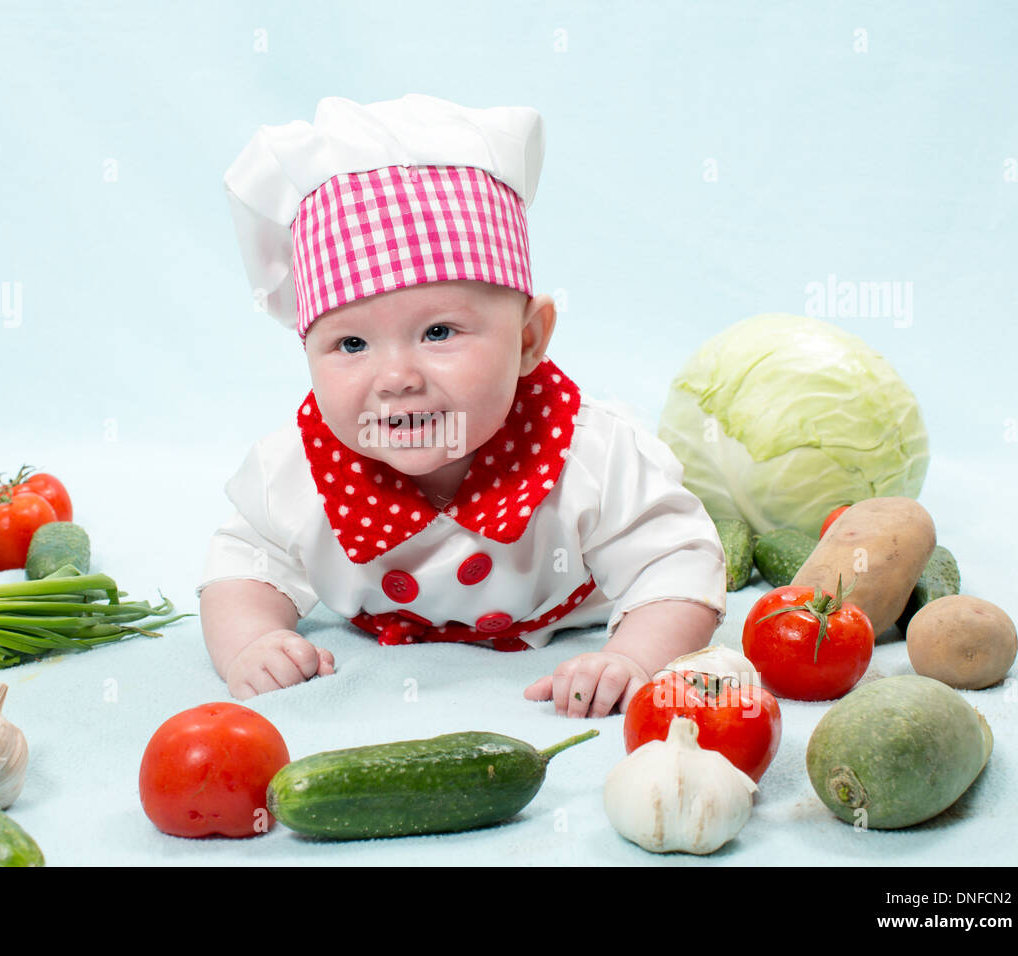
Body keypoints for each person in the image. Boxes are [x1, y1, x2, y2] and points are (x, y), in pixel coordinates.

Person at [198, 94, 726, 718]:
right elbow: (242, 564)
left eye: (440, 333)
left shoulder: (590, 456)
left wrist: (636, 658)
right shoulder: (294, 472)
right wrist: (252, 641)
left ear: (528, 339)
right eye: (351, 343)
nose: (396, 377)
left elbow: (678, 561)